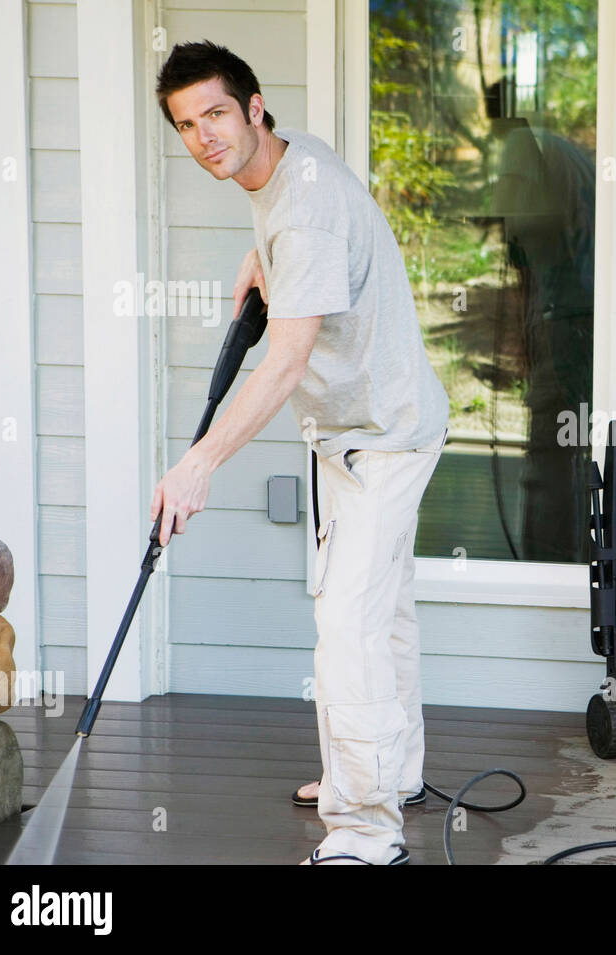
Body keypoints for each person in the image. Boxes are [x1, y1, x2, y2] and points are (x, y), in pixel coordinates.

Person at [152, 40, 450, 865]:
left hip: (383, 435)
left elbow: (283, 362)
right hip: (366, 426)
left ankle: (363, 826)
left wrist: (199, 461)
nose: (204, 135)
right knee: (382, 611)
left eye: (216, 112)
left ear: (254, 108)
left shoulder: (303, 212)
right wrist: (266, 260)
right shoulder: (290, 169)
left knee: (348, 624)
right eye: (186, 124)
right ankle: (390, 772)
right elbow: (304, 234)